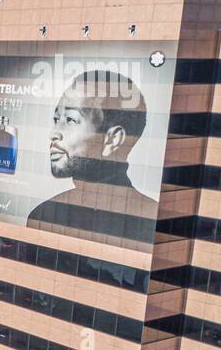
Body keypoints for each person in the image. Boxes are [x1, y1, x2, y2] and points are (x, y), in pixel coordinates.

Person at [26, 70, 155, 239]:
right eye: (57, 120)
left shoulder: (150, 224)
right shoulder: (42, 216)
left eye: (70, 120)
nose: (54, 133)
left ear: (112, 140)